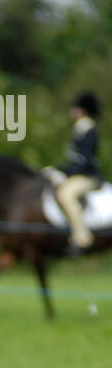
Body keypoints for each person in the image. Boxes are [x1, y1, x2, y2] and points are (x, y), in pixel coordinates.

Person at [56, 90, 102, 253]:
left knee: (65, 194)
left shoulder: (88, 130)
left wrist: (67, 173)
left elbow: (85, 159)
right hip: (79, 173)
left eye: (74, 108)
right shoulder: (80, 129)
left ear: (81, 110)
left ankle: (82, 237)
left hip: (88, 176)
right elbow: (75, 159)